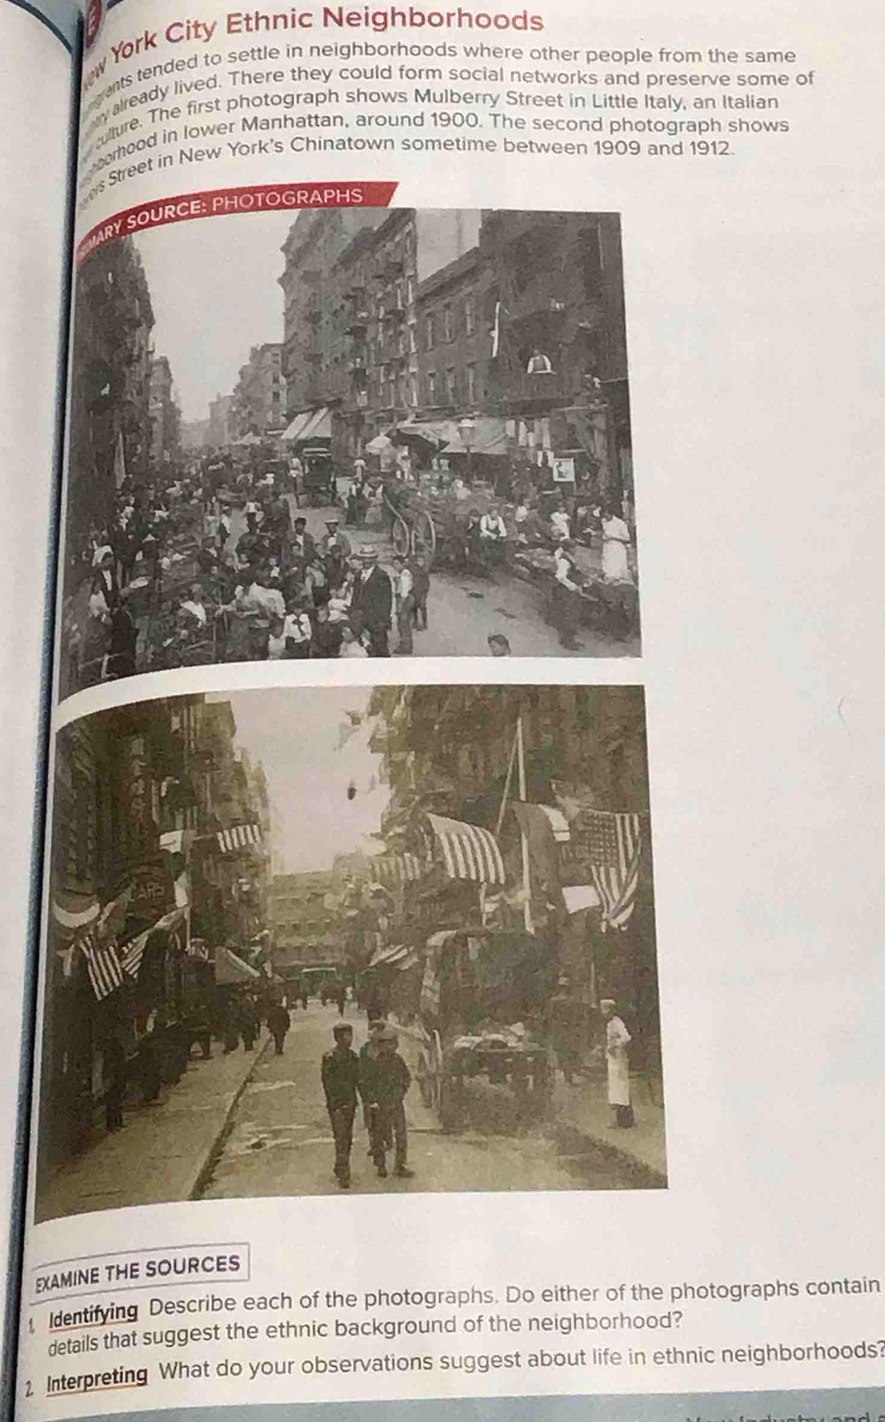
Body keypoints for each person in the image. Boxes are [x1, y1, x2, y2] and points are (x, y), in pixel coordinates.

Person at [359, 1026, 415, 1179]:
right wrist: (372, 1101)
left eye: (391, 1044)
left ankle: (400, 1165)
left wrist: (400, 1093)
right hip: (380, 1104)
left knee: (401, 1135)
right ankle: (381, 1165)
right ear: (379, 1046)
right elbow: (365, 1083)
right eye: (384, 1044)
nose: (388, 1047)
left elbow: (406, 1078)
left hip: (396, 1103)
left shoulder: (398, 1060)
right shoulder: (374, 1063)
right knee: (379, 1136)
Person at [321, 1022, 362, 1189]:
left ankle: (340, 1165)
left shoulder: (353, 1057)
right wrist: (335, 1104)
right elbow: (327, 1083)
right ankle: (344, 1173)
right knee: (341, 1138)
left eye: (350, 1035)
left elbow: (359, 1080)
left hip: (350, 1102)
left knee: (348, 1138)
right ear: (338, 1038)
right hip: (337, 1105)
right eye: (346, 1036)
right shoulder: (330, 1058)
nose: (349, 1039)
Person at [350, 548, 392, 657]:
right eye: (364, 559)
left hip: (376, 619)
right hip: (360, 618)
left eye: (369, 559)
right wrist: (353, 612)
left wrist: (383, 620)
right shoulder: (358, 575)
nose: (366, 562)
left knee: (380, 647)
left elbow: (386, 600)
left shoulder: (382, 576)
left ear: (374, 560)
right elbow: (355, 595)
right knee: (364, 647)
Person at [600, 999, 634, 1127]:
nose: (603, 1013)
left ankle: (623, 1119)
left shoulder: (617, 1022)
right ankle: (621, 1119)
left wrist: (615, 1046)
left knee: (620, 1087)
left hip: (619, 1059)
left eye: (604, 1010)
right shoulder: (610, 1023)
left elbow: (626, 1037)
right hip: (613, 1059)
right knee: (615, 1087)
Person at [552, 539, 584, 650]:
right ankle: (568, 641)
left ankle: (571, 638)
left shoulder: (569, 558)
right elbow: (560, 576)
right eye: (575, 547)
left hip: (571, 591)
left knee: (574, 614)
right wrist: (572, 586)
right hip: (566, 592)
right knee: (569, 615)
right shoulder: (564, 561)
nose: (576, 549)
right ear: (569, 548)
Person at [601, 506, 632, 582]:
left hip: (617, 547)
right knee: (607, 567)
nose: (605, 517)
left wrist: (613, 538)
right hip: (607, 547)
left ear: (611, 514)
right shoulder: (604, 521)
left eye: (606, 515)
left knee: (616, 569)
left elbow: (627, 539)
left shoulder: (620, 523)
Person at [392, 555, 414, 655]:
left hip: (404, 600)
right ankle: (404, 643)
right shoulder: (402, 574)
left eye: (397, 564)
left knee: (404, 623)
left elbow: (404, 591)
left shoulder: (405, 574)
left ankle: (406, 645)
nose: (395, 566)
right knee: (402, 623)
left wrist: (400, 605)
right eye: (394, 564)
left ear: (402, 564)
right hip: (402, 599)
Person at [409, 553, 430, 630]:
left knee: (422, 606)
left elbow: (426, 579)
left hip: (423, 590)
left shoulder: (424, 569)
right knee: (414, 606)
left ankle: (424, 623)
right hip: (414, 589)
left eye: (422, 560)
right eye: (419, 560)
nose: (421, 562)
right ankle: (415, 621)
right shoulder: (413, 568)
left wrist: (426, 588)